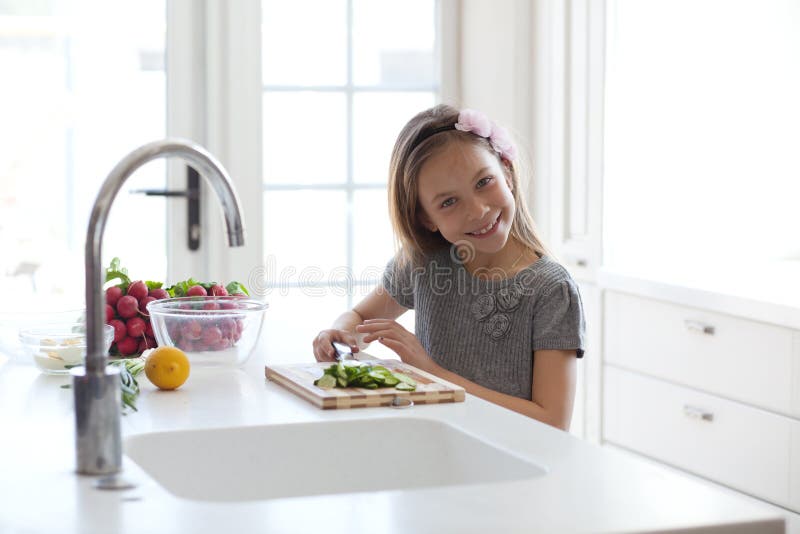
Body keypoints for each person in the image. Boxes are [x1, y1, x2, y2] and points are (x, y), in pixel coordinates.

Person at [312, 104, 585, 431]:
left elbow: (552, 422)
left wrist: (430, 372)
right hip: (434, 450)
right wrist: (340, 335)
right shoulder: (423, 264)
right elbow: (359, 320)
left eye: (484, 182)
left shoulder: (552, 291)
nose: (478, 209)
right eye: (448, 202)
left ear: (507, 173)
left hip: (510, 470)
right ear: (426, 218)